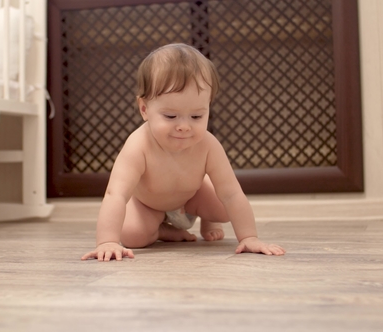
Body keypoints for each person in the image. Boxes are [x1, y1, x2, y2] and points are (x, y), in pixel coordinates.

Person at [81, 43, 286, 262]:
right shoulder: (137, 146)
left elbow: (232, 193)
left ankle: (209, 219)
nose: (184, 126)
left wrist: (249, 237)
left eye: (197, 116)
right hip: (148, 204)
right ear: (144, 109)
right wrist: (107, 241)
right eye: (170, 116)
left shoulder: (208, 145)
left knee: (225, 207)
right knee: (132, 235)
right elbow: (116, 194)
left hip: (191, 197)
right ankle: (161, 231)